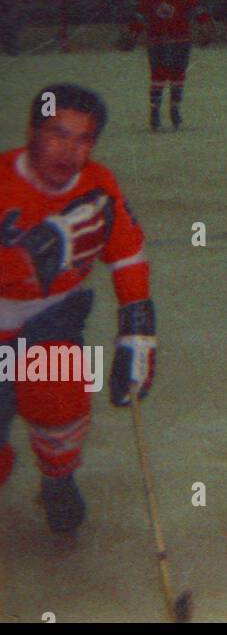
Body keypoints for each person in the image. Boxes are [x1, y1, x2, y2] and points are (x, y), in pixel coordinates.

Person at [0, 85, 156, 533]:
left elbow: (127, 254)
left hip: (53, 315)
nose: (69, 151)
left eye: (83, 139)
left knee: (60, 390)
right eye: (57, 134)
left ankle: (58, 478)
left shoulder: (99, 185)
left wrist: (137, 331)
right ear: (32, 132)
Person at [121, 0, 213, 131]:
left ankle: (171, 109)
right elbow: (140, 17)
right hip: (161, 41)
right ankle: (157, 111)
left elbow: (198, 12)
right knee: (160, 76)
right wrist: (133, 32)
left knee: (175, 75)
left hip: (177, 41)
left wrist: (205, 25)